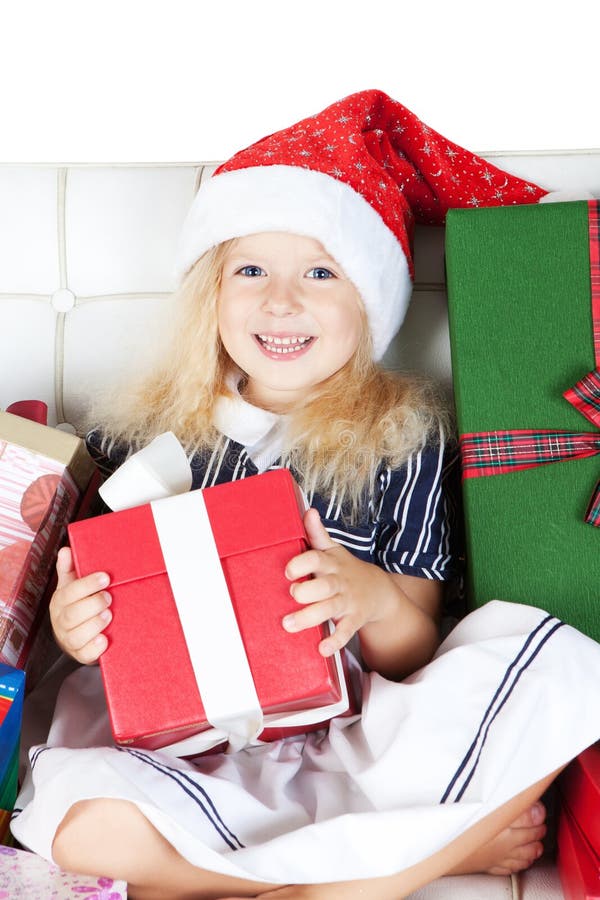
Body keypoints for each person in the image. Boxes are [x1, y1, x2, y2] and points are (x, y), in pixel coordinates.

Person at [11, 90, 600, 900]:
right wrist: (72, 630)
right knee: (80, 829)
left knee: (563, 670)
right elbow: (86, 614)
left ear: (371, 299)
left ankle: (308, 876)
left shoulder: (406, 438)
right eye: (249, 269)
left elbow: (415, 648)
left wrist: (373, 599)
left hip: (346, 729)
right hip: (175, 745)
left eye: (321, 272)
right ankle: (408, 865)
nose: (280, 300)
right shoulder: (137, 434)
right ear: (211, 295)